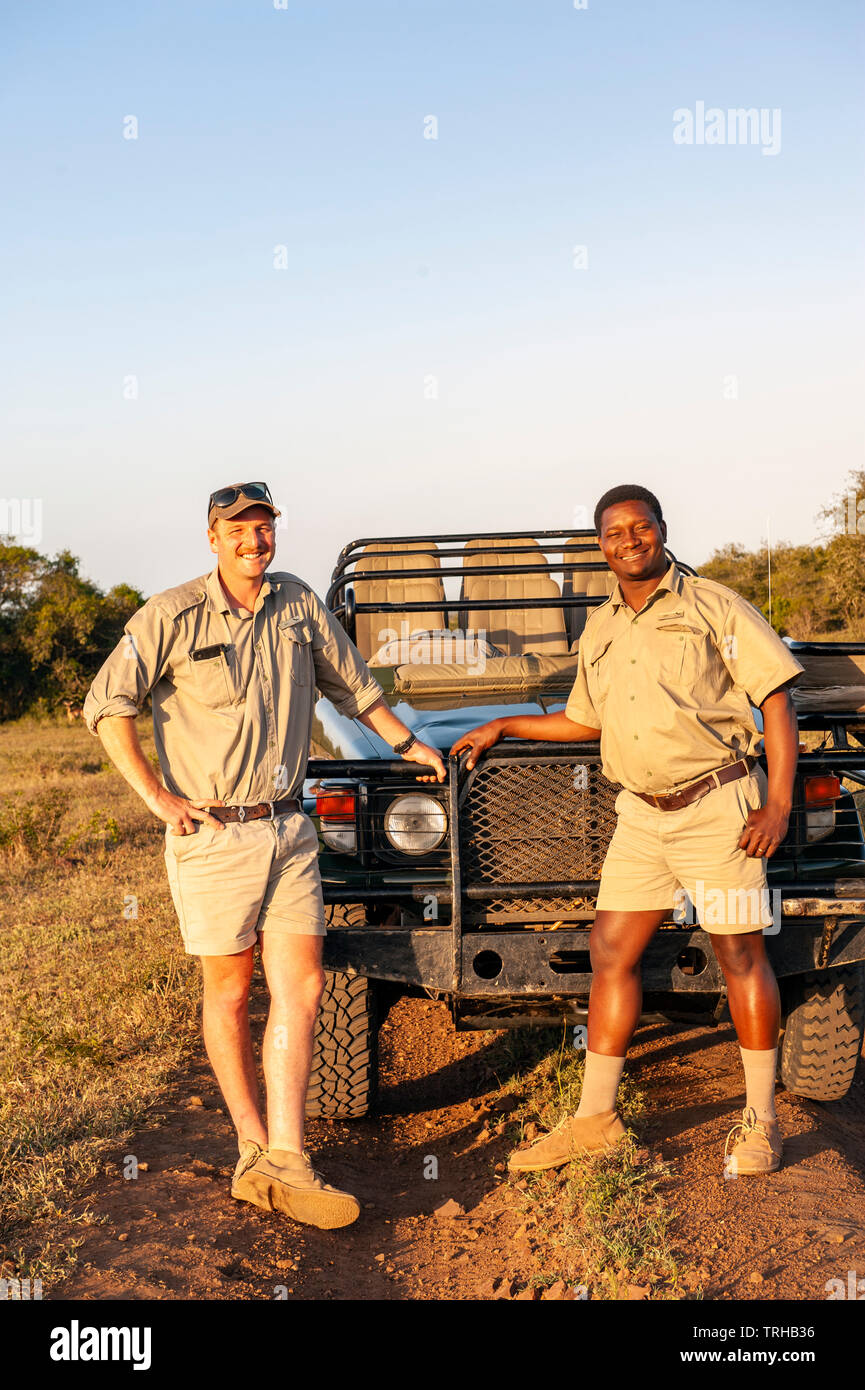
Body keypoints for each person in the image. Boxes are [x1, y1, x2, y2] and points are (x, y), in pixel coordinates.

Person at [84, 481, 446, 1228]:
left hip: (289, 828)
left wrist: (413, 748)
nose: (255, 540)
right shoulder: (171, 614)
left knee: (304, 988)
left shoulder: (298, 603)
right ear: (212, 536)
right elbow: (107, 705)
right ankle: (252, 1149)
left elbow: (356, 691)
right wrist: (159, 799)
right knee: (229, 989)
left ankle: (288, 1152)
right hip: (214, 833)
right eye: (239, 529)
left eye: (264, 527)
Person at [451, 484, 803, 1176]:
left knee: (737, 956)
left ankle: (759, 1123)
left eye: (638, 528)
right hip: (640, 816)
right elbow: (585, 719)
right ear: (600, 547)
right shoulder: (602, 626)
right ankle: (595, 1120)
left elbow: (775, 698)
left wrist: (779, 805)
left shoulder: (712, 606)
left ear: (661, 531)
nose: (627, 541)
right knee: (609, 949)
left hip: (716, 807)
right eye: (613, 533)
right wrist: (505, 724)